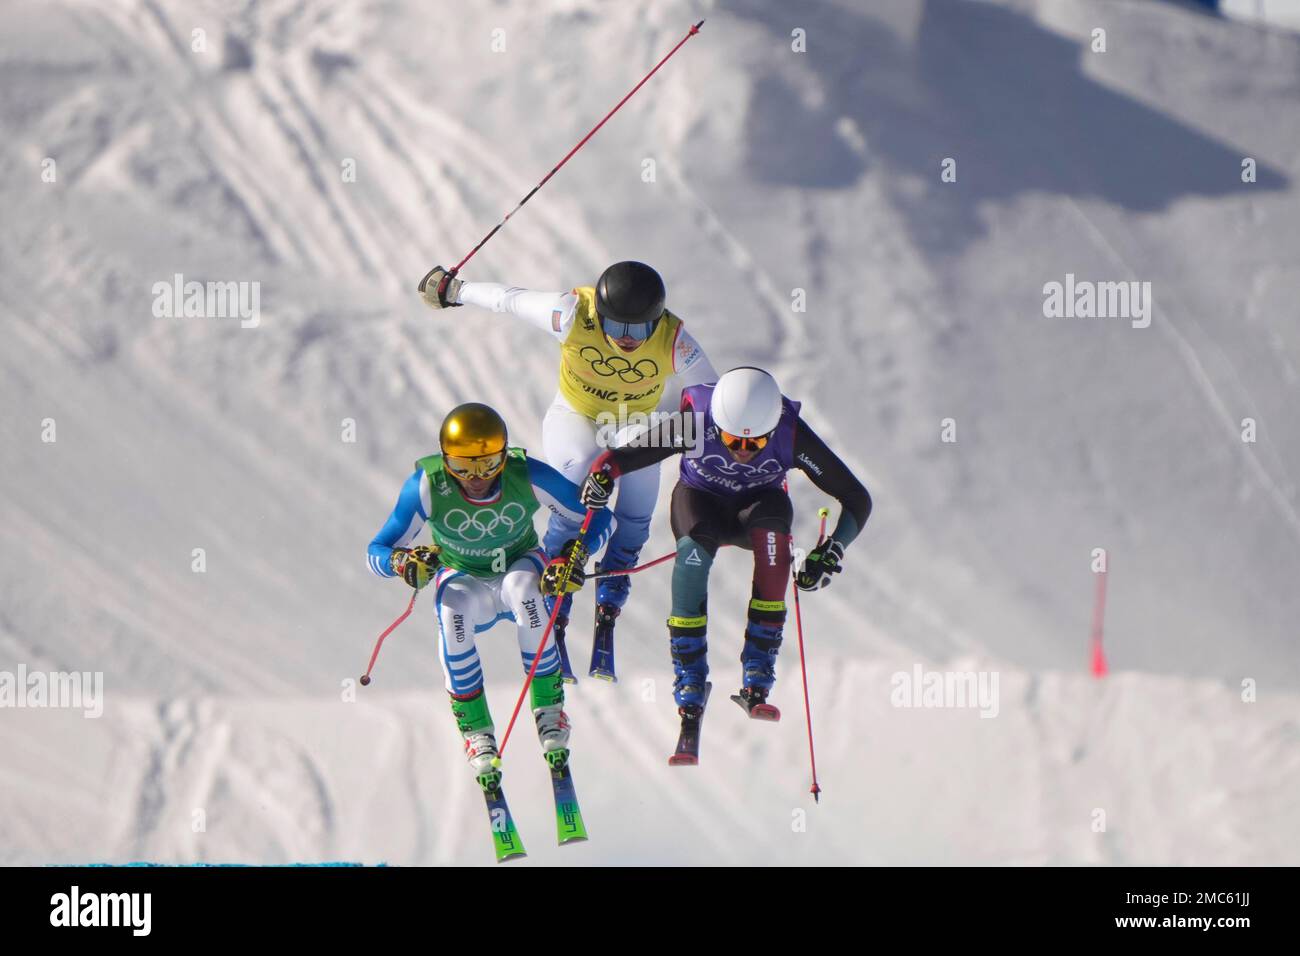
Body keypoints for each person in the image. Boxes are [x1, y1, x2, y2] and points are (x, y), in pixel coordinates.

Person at [418, 261, 717, 680]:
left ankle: (613, 588)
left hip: (631, 419)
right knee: (576, 469)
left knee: (641, 472)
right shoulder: (572, 312)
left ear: (658, 320)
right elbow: (510, 300)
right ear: (599, 316)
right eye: (615, 327)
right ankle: (555, 577)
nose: (626, 340)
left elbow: (713, 398)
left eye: (639, 330)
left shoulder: (674, 340)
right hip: (574, 413)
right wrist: (456, 289)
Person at [578, 367, 871, 749]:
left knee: (774, 546)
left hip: (758, 508)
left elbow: (857, 498)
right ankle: (689, 676)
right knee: (694, 557)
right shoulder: (697, 423)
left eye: (756, 444)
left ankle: (758, 671)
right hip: (701, 503)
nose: (743, 452)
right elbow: (623, 457)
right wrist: (601, 476)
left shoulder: (790, 432)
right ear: (718, 425)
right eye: (734, 440)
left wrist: (830, 551)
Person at [367, 402, 609, 791]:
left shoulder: (524, 474)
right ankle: (477, 732)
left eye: (488, 464)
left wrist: (573, 558)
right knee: (453, 612)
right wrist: (401, 562)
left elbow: (597, 517)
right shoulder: (427, 486)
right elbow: (375, 550)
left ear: (504, 454)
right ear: (445, 459)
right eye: (462, 467)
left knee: (526, 592)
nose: (476, 478)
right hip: (464, 578)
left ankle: (549, 710)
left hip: (519, 564)